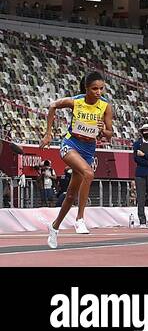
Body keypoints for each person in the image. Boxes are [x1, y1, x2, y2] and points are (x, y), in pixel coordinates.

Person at [42, 72, 114, 248]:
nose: (98, 92)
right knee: (89, 173)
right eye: (94, 88)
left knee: (71, 195)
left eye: (101, 88)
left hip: (89, 149)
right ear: (87, 89)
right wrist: (48, 133)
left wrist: (103, 130)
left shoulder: (105, 106)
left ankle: (54, 227)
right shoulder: (76, 101)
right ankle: (80, 218)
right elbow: (53, 106)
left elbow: (110, 135)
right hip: (71, 144)